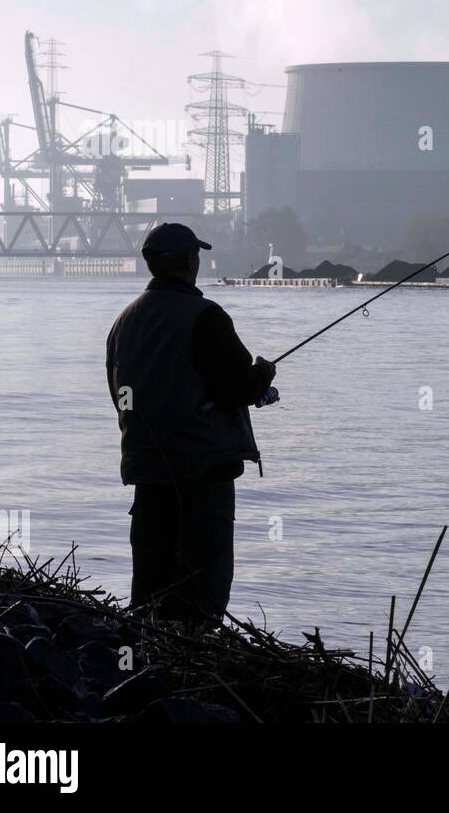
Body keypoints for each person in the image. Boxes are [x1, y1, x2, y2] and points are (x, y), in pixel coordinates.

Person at [105, 223, 277, 625]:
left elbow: (121, 393)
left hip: (147, 470)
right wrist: (263, 374)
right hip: (202, 471)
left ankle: (145, 663)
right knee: (203, 582)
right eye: (195, 255)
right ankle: (193, 665)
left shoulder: (124, 322)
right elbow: (236, 387)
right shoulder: (206, 317)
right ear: (189, 260)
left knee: (151, 586)